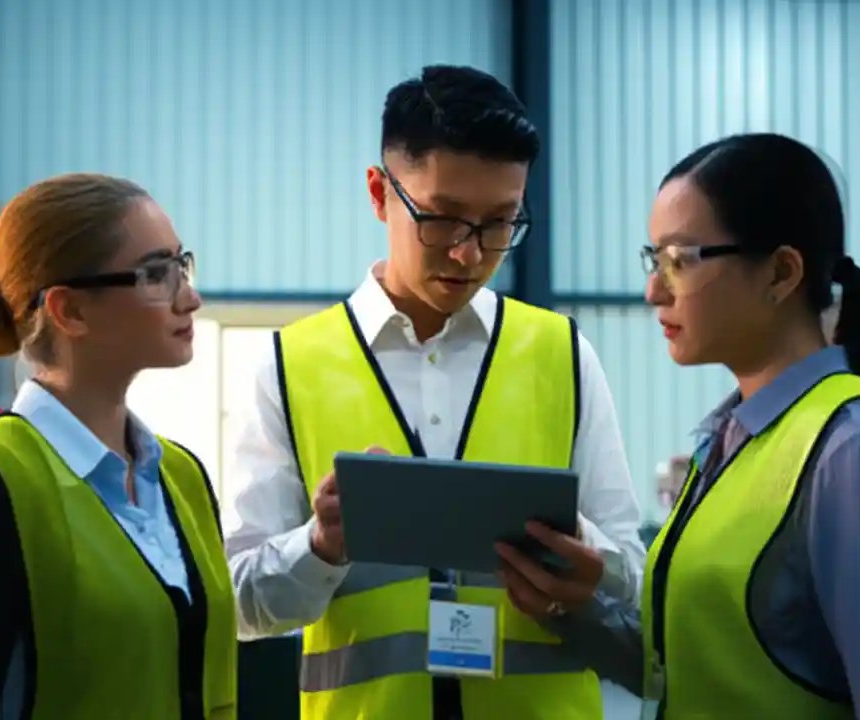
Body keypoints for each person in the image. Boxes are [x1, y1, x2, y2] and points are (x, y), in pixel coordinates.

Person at [494, 133, 860, 719]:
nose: (653, 290)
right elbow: (695, 671)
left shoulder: (858, 455)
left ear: (780, 272)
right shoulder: (730, 443)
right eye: (654, 260)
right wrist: (574, 607)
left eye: (680, 260)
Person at [220, 65, 645, 720]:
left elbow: (633, 576)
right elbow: (243, 608)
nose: (469, 254)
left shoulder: (563, 355)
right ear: (379, 193)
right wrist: (320, 546)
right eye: (442, 219)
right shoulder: (287, 366)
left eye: (500, 223)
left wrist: (580, 558)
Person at [0, 173, 237, 719]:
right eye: (156, 274)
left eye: (181, 266)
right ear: (69, 311)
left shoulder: (182, 476)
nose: (189, 298)